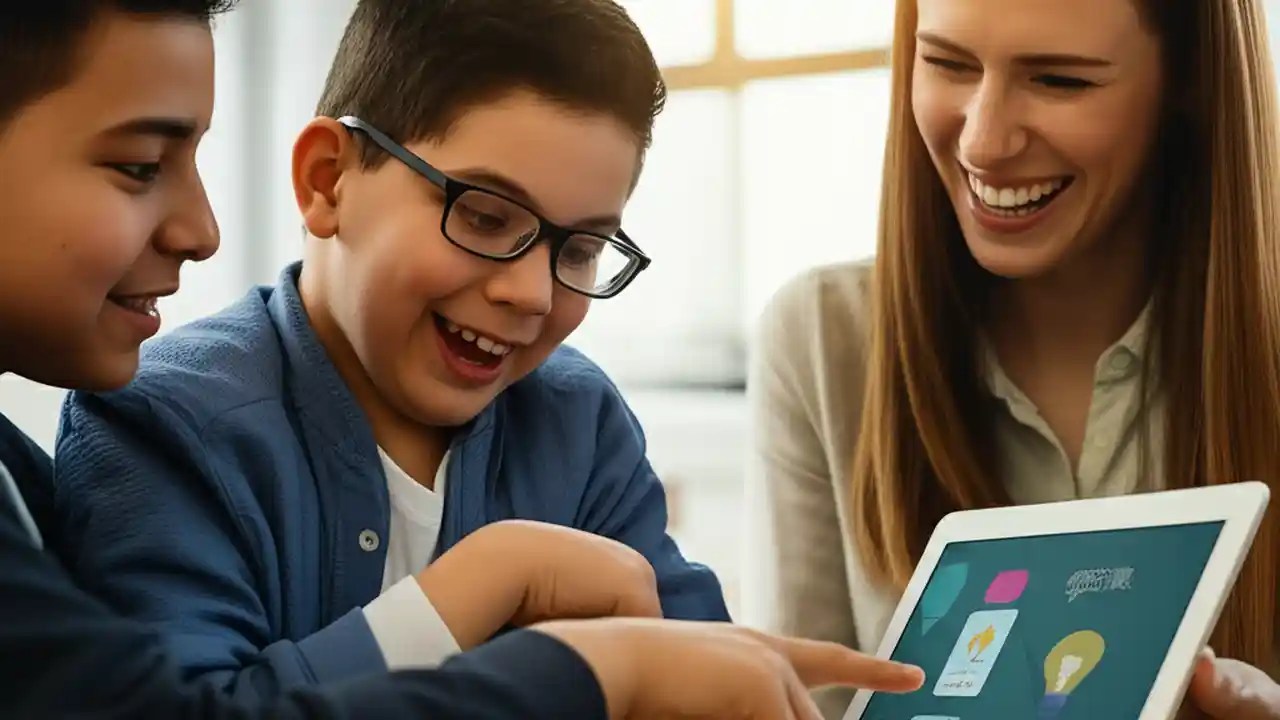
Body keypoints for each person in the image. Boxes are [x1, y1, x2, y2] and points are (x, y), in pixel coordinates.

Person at [0, 2, 929, 718]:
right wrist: (475, 599)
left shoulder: (579, 421)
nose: (530, 292)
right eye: (484, 217)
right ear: (328, 181)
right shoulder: (161, 422)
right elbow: (194, 707)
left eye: (578, 249)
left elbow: (694, 669)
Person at [746, 0, 1280, 718]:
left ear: (1189, 81)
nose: (984, 142)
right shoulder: (822, 339)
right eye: (947, 63)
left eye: (1059, 80)